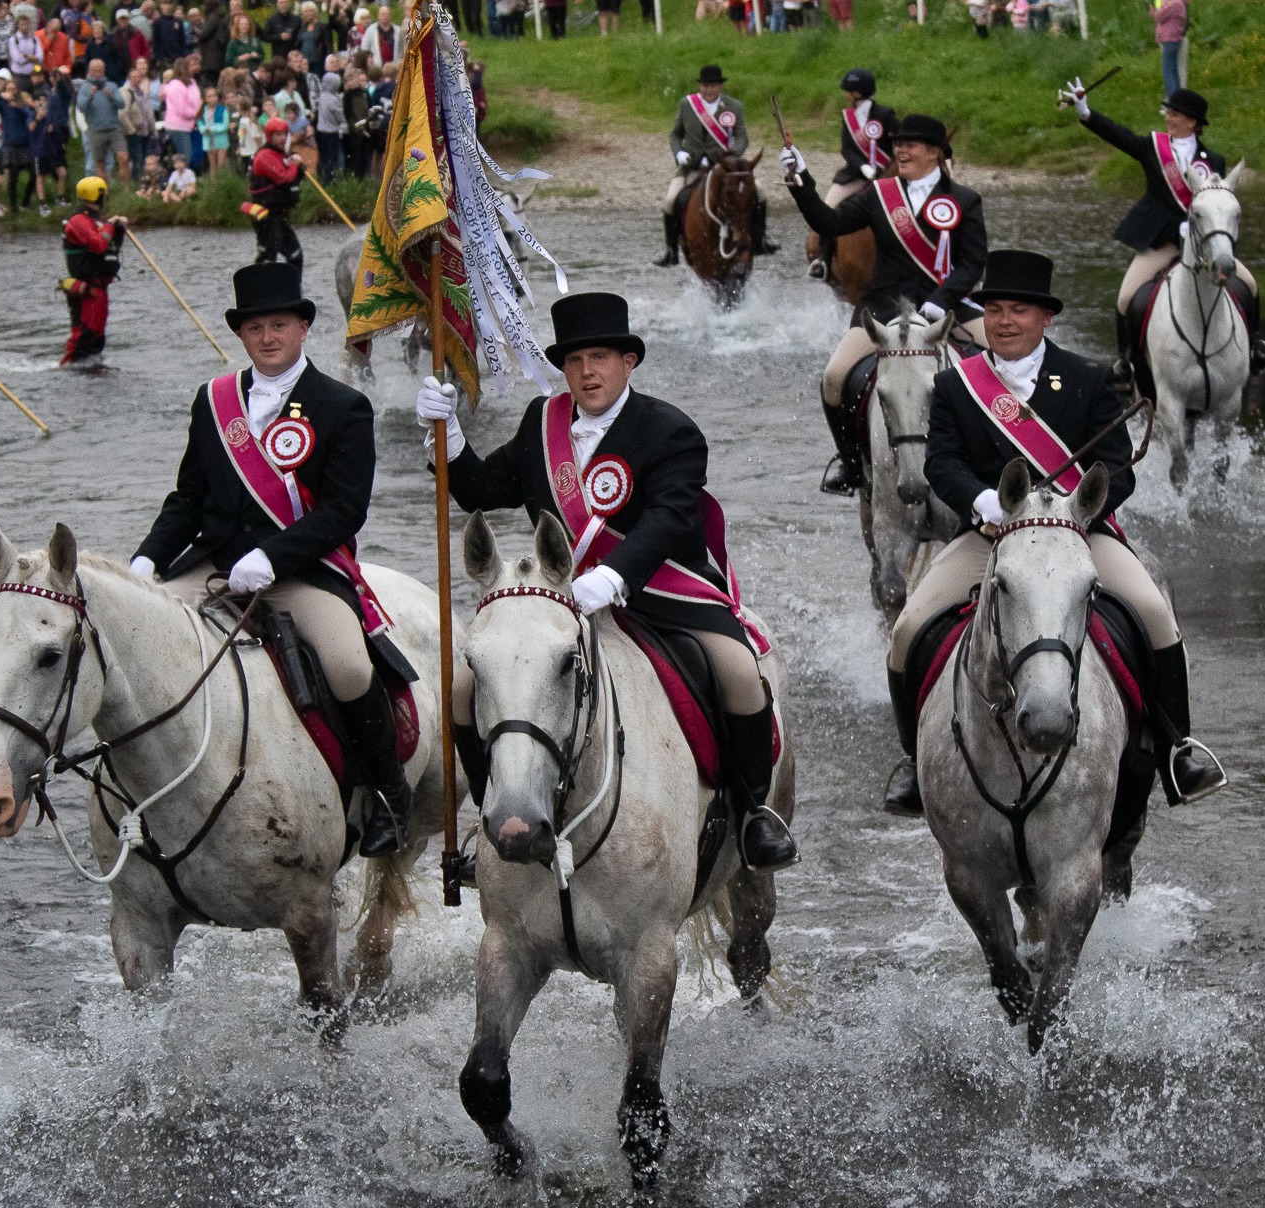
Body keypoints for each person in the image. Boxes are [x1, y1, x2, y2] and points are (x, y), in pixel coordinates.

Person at [413, 292, 798, 872]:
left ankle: (752, 815)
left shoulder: (670, 431)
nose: (587, 372)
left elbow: (670, 518)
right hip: (560, 601)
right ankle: (495, 814)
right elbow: (482, 490)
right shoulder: (542, 423)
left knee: (741, 674)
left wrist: (615, 576)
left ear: (628, 362)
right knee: (468, 688)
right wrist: (448, 438)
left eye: (599, 358)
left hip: (663, 594)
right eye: (574, 362)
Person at [878, 249, 1227, 815]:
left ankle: (1176, 752)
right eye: (994, 311)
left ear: (1046, 319)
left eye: (1019, 310)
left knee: (1154, 613)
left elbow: (1118, 468)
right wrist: (985, 499)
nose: (1005, 321)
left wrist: (1077, 510)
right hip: (993, 535)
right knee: (910, 626)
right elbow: (941, 463)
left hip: (1080, 535)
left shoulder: (1087, 379)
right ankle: (915, 764)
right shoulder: (956, 386)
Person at [132, 261, 412, 858]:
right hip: (211, 568)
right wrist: (147, 561)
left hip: (301, 571)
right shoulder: (213, 401)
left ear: (304, 327)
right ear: (241, 334)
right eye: (256, 328)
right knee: (133, 639)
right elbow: (188, 498)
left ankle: (388, 795)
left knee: (348, 665)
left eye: (280, 325)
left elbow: (343, 512)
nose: (268, 338)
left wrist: (272, 555)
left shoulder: (343, 406)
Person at [779, 113, 990, 495]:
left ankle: (1005, 453)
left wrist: (941, 302)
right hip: (883, 309)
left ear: (934, 152)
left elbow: (973, 263)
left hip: (946, 308)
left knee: (1005, 359)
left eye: (909, 145)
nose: (900, 151)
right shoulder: (880, 194)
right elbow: (829, 221)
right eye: (898, 144)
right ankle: (850, 464)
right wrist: (801, 181)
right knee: (834, 376)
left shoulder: (965, 200)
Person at [1056, 78, 1265, 376]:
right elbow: (1121, 137)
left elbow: (1216, 205)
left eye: (1174, 114)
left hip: (1205, 247)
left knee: (1249, 284)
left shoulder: (1214, 161)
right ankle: (1126, 362)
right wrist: (1086, 112)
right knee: (1124, 298)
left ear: (1192, 121)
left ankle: (1253, 347)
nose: (1168, 118)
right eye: (1168, 113)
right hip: (1163, 243)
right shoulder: (1153, 147)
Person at [655, 64, 776, 266]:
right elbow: (675, 134)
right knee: (669, 201)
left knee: (760, 194)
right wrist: (679, 153)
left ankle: (760, 240)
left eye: (713, 86)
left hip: (725, 167)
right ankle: (671, 251)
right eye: (705, 85)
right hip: (691, 166)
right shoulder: (687, 105)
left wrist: (732, 155)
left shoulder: (734, 106)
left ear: (720, 87)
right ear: (700, 86)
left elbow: (742, 138)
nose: (708, 89)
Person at [809, 66, 902, 281]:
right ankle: (823, 258)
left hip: (883, 175)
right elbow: (847, 149)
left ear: (856, 93)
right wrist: (862, 167)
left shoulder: (885, 114)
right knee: (828, 209)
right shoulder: (847, 116)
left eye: (847, 91)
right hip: (854, 176)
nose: (844, 95)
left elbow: (899, 142)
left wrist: (883, 168)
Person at [58, 175, 127, 365]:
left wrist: (119, 230)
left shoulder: (97, 222)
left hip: (100, 289)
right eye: (103, 194)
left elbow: (109, 247)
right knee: (83, 336)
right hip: (86, 290)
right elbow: (98, 245)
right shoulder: (78, 221)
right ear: (97, 196)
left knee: (97, 337)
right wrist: (111, 225)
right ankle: (70, 369)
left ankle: (94, 371)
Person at [244, 116, 304, 271]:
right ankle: (261, 290)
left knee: (295, 256)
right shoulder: (264, 156)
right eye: (278, 135)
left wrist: (297, 168)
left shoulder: (281, 154)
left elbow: (292, 178)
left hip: (279, 214)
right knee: (269, 257)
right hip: (267, 216)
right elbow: (283, 179)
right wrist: (294, 165)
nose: (282, 138)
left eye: (284, 134)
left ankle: (293, 291)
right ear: (269, 136)